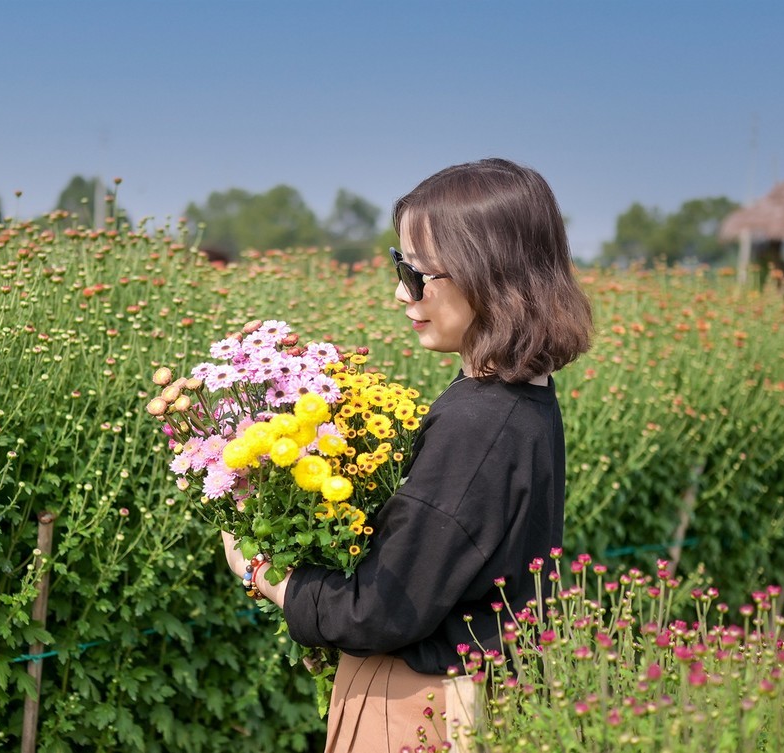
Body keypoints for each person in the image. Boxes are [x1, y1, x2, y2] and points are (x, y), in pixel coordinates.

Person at [222, 158, 593, 751]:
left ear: (486, 274)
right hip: (476, 694)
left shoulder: (478, 421)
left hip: (417, 708)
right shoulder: (526, 402)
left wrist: (262, 570)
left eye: (415, 272)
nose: (401, 291)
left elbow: (381, 608)